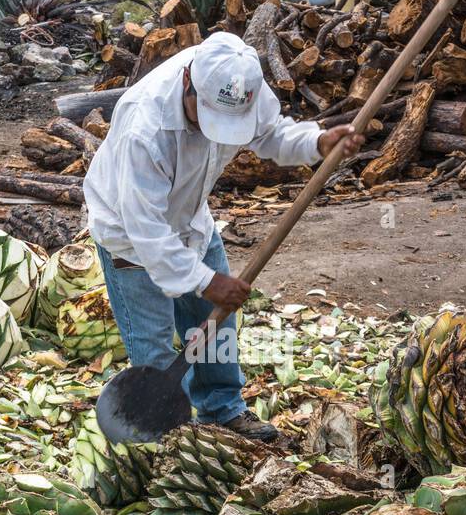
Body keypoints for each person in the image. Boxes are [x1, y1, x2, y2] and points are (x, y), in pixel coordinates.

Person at [83, 31, 364, 443]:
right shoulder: (144, 126)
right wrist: (207, 282)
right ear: (187, 85)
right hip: (130, 238)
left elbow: (271, 135)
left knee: (214, 329)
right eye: (210, 118)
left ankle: (223, 409)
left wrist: (317, 141)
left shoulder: (239, 79)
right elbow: (147, 230)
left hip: (192, 220)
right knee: (158, 354)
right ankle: (171, 439)